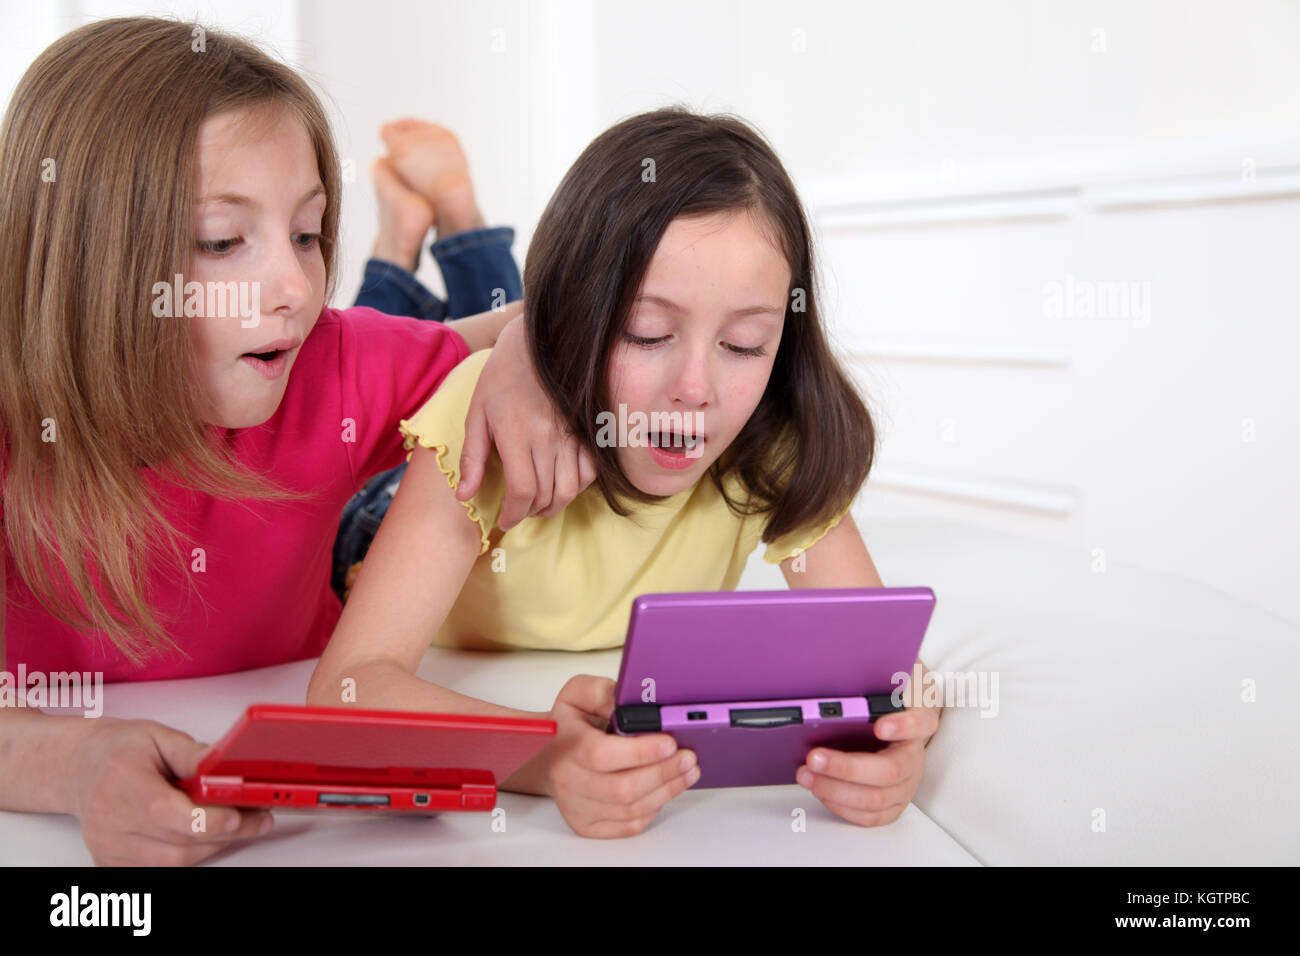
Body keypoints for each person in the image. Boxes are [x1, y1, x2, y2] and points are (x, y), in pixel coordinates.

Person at [0, 17, 587, 865]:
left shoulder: (327, 362)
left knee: (389, 319)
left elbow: (523, 326)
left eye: (308, 233)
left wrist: (532, 347)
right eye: (220, 241)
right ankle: (399, 241)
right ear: (85, 262)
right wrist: (73, 763)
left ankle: (414, 234)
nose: (295, 285)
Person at [308, 107, 943, 838]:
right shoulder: (479, 419)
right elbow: (348, 690)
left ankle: (456, 215)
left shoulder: (770, 439)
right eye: (648, 334)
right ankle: (407, 239)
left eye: (743, 343)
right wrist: (546, 757)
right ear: (577, 319)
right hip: (376, 514)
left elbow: (880, 660)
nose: (696, 387)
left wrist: (900, 740)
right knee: (384, 348)